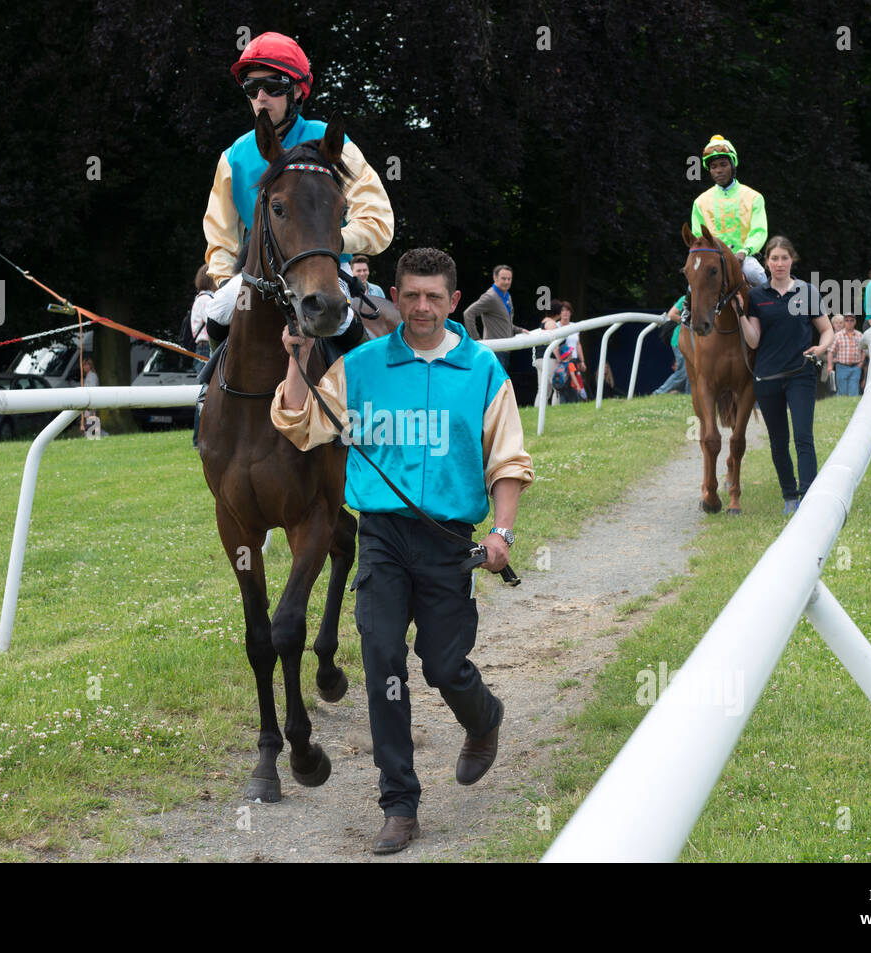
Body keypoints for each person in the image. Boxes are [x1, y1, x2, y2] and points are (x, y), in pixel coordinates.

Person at [271, 247, 534, 854]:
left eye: (433, 297)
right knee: (384, 660)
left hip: (449, 544)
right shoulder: (361, 367)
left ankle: (483, 717)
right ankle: (399, 803)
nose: (421, 307)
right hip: (383, 539)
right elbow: (300, 424)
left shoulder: (483, 372)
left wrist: (503, 532)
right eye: (411, 295)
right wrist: (298, 360)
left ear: (452, 300)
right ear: (396, 295)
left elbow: (509, 461)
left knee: (442, 666)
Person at [200, 32, 394, 345]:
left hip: (325, 268)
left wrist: (329, 241)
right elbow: (221, 239)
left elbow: (378, 222)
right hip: (259, 277)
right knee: (217, 313)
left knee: (343, 326)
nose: (261, 96)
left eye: (273, 86)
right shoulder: (233, 157)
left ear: (297, 92)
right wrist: (228, 282)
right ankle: (205, 391)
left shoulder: (334, 144)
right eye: (252, 87)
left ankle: (360, 390)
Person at [738, 236, 834, 515]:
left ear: (792, 260)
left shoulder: (807, 291)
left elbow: (827, 329)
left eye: (784, 258)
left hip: (800, 374)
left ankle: (809, 496)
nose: (779, 263)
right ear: (766, 262)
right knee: (778, 440)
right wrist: (740, 316)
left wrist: (822, 347)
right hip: (767, 378)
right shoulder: (756, 296)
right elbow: (754, 341)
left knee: (803, 436)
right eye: (774, 258)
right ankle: (789, 495)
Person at [691, 135, 768, 290]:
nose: (719, 170)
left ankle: (772, 306)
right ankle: (687, 312)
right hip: (712, 258)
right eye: (714, 167)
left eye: (723, 165)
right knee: (693, 285)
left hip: (744, 258)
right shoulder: (700, 202)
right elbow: (697, 236)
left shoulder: (754, 197)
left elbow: (759, 231)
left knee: (754, 272)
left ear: (733, 166)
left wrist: (744, 251)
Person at [463, 265, 529, 342]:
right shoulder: (490, 297)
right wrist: (476, 340)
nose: (507, 282)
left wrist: (520, 330)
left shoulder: (507, 295)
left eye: (509, 279)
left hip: (506, 347)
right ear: (495, 278)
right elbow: (468, 313)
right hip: (494, 348)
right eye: (503, 278)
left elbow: (504, 322)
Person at [653, 295, 691, 395]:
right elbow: (672, 314)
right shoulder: (686, 298)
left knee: (692, 370)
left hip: (692, 341)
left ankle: (689, 395)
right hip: (680, 340)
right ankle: (659, 393)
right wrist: (687, 322)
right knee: (683, 371)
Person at [828, 314, 864, 396]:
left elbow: (864, 350)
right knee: (842, 392)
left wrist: (861, 362)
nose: (849, 322)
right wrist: (830, 366)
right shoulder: (838, 336)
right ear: (844, 322)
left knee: (854, 392)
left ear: (855, 322)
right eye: (847, 320)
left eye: (852, 320)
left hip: (855, 367)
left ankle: (854, 408)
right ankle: (841, 408)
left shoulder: (859, 335)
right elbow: (830, 351)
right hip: (841, 367)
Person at [190, 264, 216, 360]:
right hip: (206, 347)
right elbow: (214, 321)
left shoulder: (202, 298)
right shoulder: (205, 299)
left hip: (204, 347)